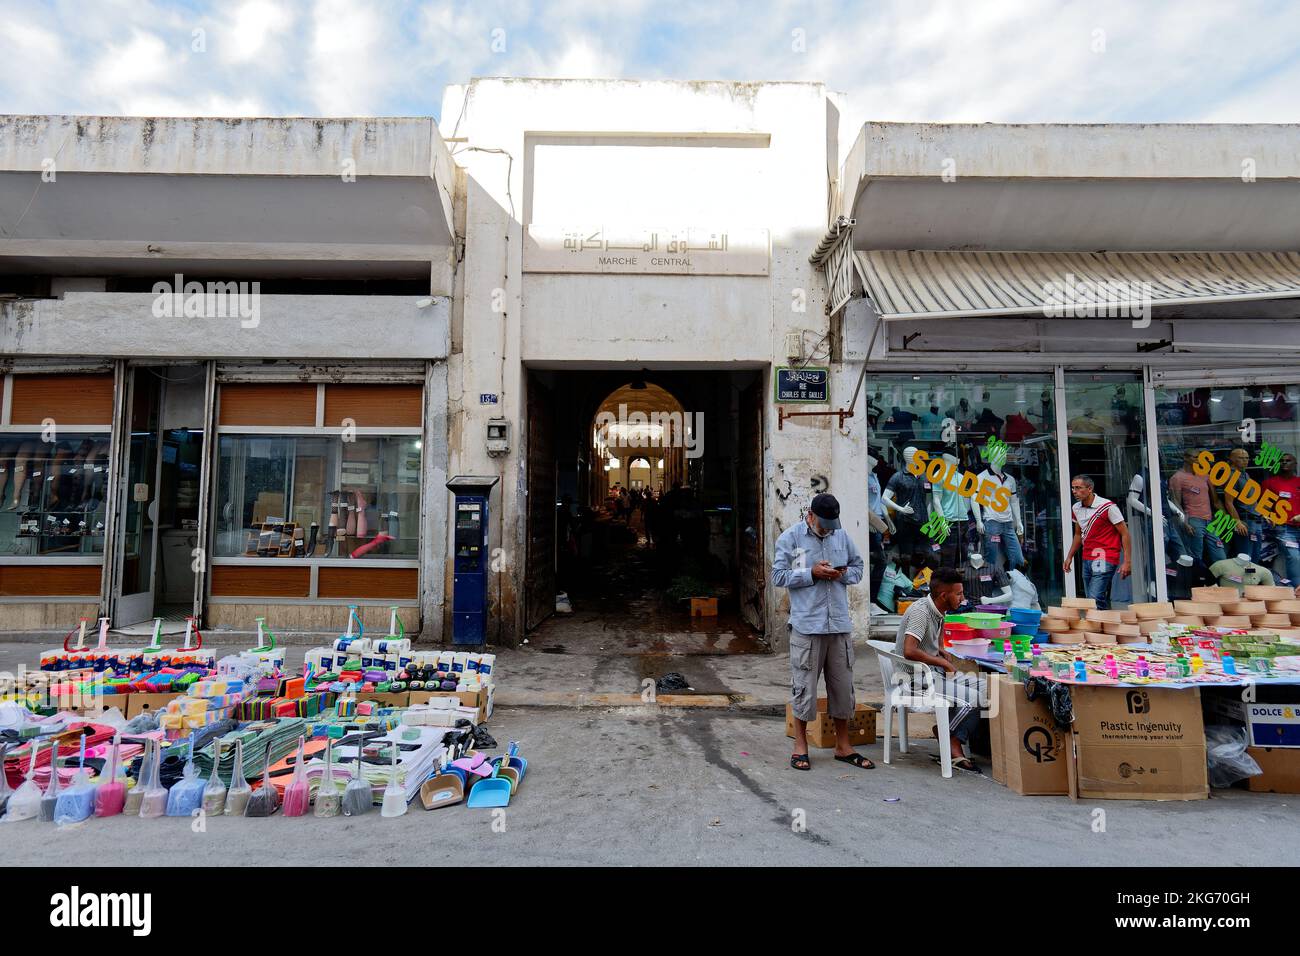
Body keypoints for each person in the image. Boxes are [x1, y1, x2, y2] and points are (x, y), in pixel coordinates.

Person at [771, 493, 871, 772]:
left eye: (831, 524)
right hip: (807, 625)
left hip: (838, 624)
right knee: (804, 687)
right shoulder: (790, 539)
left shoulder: (841, 535)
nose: (827, 529)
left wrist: (842, 574)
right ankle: (800, 745)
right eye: (823, 523)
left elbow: (859, 568)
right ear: (810, 515)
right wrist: (811, 573)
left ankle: (843, 745)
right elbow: (778, 576)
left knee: (842, 687)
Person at [894, 567, 983, 773]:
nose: (963, 598)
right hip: (915, 680)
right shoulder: (920, 612)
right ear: (944, 595)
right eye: (959, 594)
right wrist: (941, 662)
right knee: (973, 699)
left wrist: (940, 650)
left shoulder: (939, 610)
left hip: (932, 674)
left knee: (987, 688)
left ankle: (949, 733)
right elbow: (909, 650)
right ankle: (951, 739)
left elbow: (933, 638)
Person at [1064, 474, 1132, 610]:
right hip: (1087, 557)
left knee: (1094, 598)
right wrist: (1069, 556)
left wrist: (1127, 562)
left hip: (1105, 556)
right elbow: (1078, 534)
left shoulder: (1108, 507)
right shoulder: (1076, 508)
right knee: (1092, 599)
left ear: (1090, 489)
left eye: (1078, 488)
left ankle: (1101, 625)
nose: (1074, 491)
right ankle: (1103, 624)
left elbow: (1124, 533)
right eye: (1073, 488)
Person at [1169, 450, 1227, 568]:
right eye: (1195, 457)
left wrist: (1225, 519)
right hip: (1193, 520)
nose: (1198, 460)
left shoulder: (1204, 475)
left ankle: (1219, 584)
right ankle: (1196, 584)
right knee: (1196, 557)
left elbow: (1215, 500)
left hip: (1210, 520)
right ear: (1186, 457)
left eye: (1200, 458)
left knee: (1220, 557)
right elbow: (1176, 502)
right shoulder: (1178, 477)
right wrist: (1184, 522)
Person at [1262, 450, 1300, 588]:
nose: (1284, 462)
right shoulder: (1270, 483)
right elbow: (1265, 506)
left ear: (1295, 464)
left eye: (1288, 460)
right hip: (1284, 528)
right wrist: (1267, 515)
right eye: (1282, 461)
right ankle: (1297, 589)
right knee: (1294, 557)